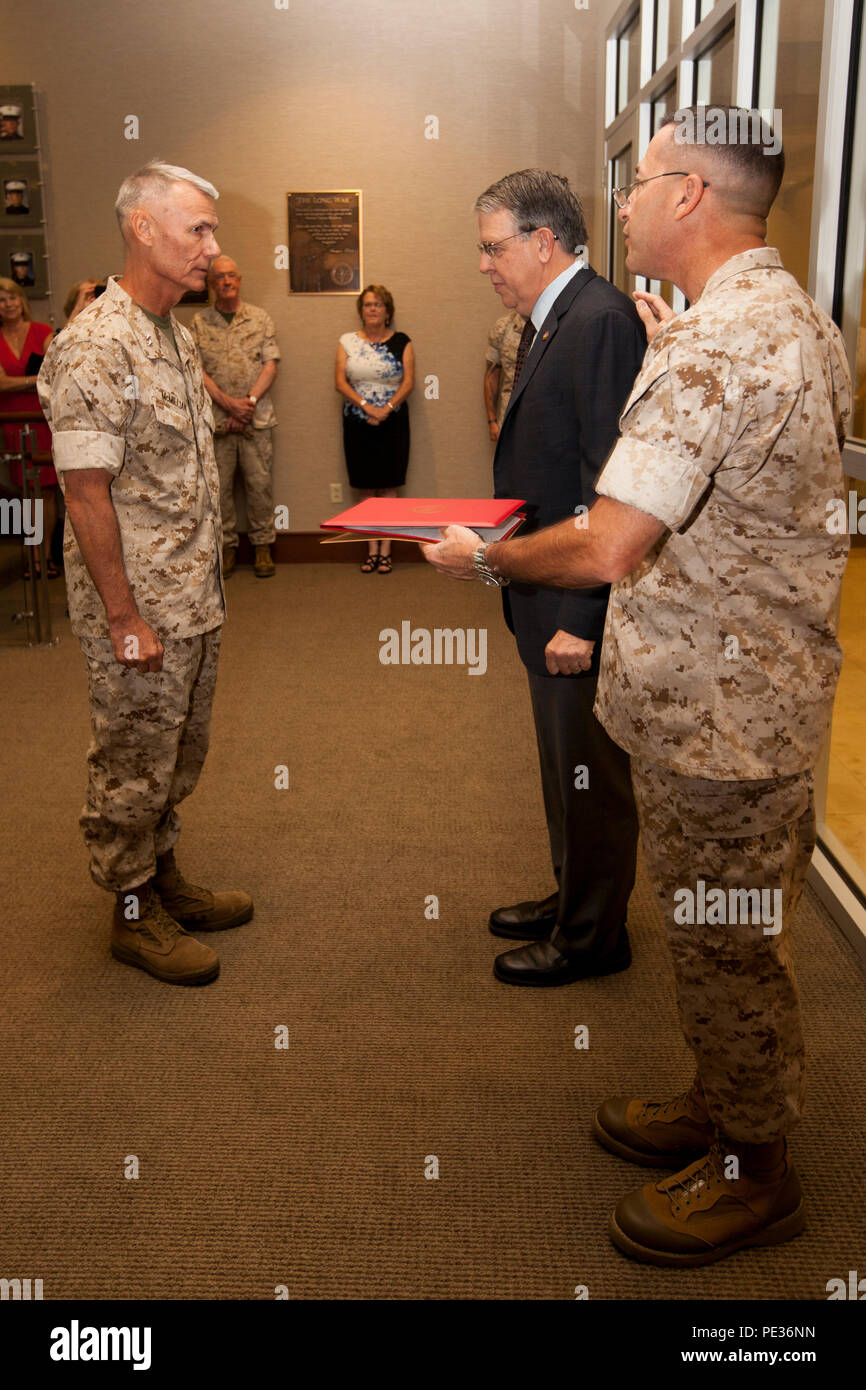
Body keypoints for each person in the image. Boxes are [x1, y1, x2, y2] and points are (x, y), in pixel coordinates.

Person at [424, 107, 851, 1267]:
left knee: (726, 941)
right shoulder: (771, 319)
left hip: (719, 711)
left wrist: (487, 558)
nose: (617, 202)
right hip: (732, 694)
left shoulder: (720, 344)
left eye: (638, 180)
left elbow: (611, 541)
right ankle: (720, 1106)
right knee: (716, 935)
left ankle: (754, 1172)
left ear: (687, 199)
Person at [38, 159, 253, 988]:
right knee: (131, 758)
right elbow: (85, 495)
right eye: (198, 228)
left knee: (176, 753)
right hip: (137, 609)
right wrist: (125, 618)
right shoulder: (94, 344)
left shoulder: (173, 332)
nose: (213, 247)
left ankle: (162, 878)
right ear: (143, 229)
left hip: (191, 594)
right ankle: (131, 914)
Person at [474, 169, 645, 988]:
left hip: (576, 600)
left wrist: (583, 613)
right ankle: (573, 896)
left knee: (590, 773)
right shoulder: (550, 319)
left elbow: (607, 484)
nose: (484, 265)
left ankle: (592, 939)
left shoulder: (601, 321)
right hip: (543, 589)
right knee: (560, 766)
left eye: (492, 247)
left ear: (545, 244)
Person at [192, 256, 280, 579]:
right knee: (220, 490)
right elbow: (197, 372)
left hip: (256, 420)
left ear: (239, 280)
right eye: (219, 278)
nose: (226, 282)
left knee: (260, 486)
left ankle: (262, 547)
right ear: (211, 284)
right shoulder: (199, 323)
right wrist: (229, 405)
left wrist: (248, 404)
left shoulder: (260, 319)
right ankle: (227, 548)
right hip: (217, 423)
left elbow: (270, 365)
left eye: (231, 276)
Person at [335, 284, 414, 574]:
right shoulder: (347, 341)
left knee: (390, 486)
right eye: (367, 304)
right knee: (366, 488)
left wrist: (386, 409)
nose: (372, 309)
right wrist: (369, 408)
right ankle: (371, 550)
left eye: (378, 304)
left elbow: (408, 383)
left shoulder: (402, 341)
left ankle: (387, 550)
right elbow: (340, 382)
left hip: (394, 422)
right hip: (357, 423)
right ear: (361, 311)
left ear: (388, 311)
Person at [0, 276, 58, 574]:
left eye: (11, 298)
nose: (7, 304)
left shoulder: (41, 331)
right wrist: (34, 380)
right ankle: (30, 556)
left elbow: (56, 368)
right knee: (23, 492)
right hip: (10, 422)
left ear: (21, 301)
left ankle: (45, 555)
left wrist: (17, 383)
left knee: (45, 490)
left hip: (41, 418)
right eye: (1, 299)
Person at [483, 309, 524, 442]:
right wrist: (492, 420)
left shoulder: (553, 324)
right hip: (508, 417)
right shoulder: (503, 327)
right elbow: (492, 374)